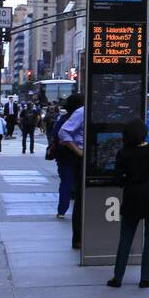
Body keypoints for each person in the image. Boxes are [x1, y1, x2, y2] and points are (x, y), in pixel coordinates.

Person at [109, 118, 149, 289]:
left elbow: (117, 181)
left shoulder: (123, 153)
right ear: (144, 133)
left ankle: (117, 277)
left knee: (126, 237)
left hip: (132, 196)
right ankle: (145, 278)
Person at [57, 96, 85, 250]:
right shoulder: (82, 112)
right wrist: (78, 151)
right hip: (82, 159)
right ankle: (78, 237)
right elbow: (63, 133)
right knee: (81, 197)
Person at [51, 95, 80, 218]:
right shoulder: (84, 116)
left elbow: (55, 134)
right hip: (79, 154)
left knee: (65, 182)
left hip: (64, 155)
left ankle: (62, 210)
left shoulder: (64, 118)